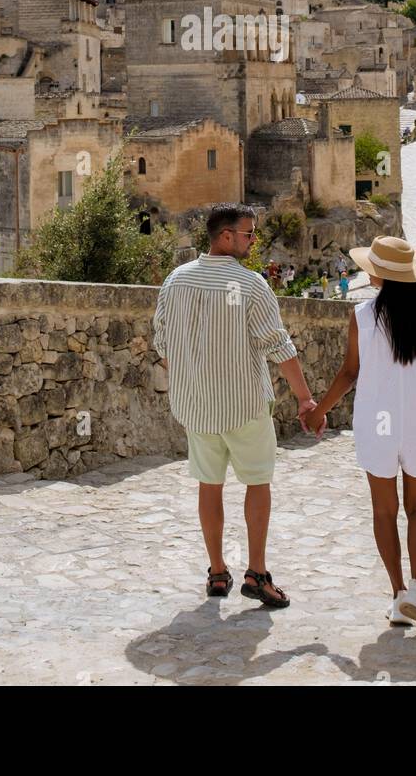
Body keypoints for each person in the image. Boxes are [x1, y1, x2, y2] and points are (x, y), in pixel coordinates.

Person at [153, 204, 319, 608]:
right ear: (226, 236)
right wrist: (305, 398)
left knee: (209, 485)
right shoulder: (249, 285)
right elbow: (278, 346)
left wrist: (194, 374)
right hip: (243, 403)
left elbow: (162, 343)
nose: (253, 241)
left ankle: (216, 572)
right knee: (257, 483)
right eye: (249, 234)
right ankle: (257, 573)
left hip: (196, 406)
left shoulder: (176, 281)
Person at [304, 237, 416, 631]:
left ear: (381, 274)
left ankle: (400, 594)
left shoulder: (364, 316)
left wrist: (320, 412)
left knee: (384, 510)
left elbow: (349, 373)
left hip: (378, 422)